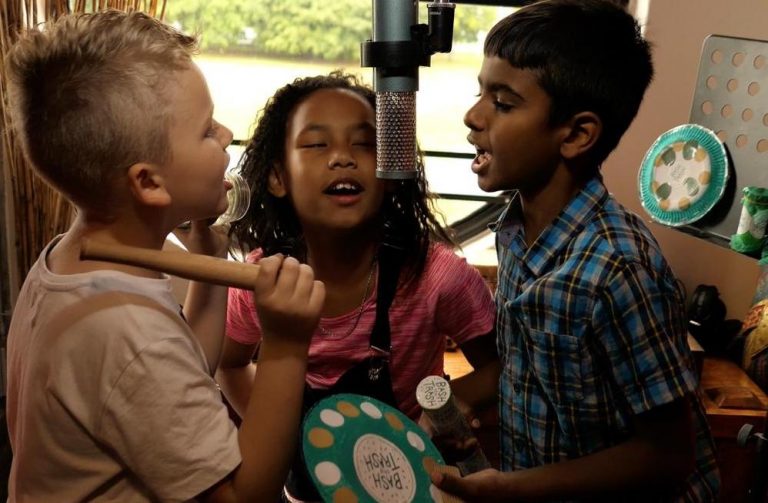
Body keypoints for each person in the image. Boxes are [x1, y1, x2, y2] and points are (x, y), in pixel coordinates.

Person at [4, 10, 324, 502]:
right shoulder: (123, 328)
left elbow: (179, 371)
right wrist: (284, 345)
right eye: (204, 131)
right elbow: (244, 495)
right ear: (149, 183)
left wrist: (211, 274)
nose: (223, 134)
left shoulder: (71, 262)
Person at [430, 1, 721, 501]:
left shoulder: (616, 269)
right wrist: (448, 401)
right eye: (481, 92)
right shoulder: (515, 233)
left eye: (502, 102)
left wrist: (511, 489)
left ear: (577, 134)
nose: (473, 115)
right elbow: (526, 361)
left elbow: (666, 455)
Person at [218, 71, 499, 501]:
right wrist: (284, 433)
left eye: (365, 144)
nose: (342, 158)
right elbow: (231, 363)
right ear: (277, 177)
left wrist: (452, 401)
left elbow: (506, 370)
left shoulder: (438, 278)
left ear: (390, 170)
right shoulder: (263, 281)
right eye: (316, 144)